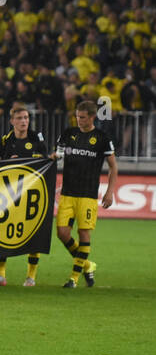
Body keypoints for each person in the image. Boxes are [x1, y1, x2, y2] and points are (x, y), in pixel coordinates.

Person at [53, 99, 116, 288]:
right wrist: (53, 156)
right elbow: (58, 155)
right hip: (67, 193)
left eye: (82, 117)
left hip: (88, 195)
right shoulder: (68, 134)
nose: (79, 120)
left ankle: (74, 278)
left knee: (83, 234)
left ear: (92, 117)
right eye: (77, 117)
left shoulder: (102, 138)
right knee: (62, 233)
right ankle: (88, 264)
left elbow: (113, 166)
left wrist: (109, 192)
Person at [0, 105, 48, 286]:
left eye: (26, 118)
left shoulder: (36, 137)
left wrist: (25, 161)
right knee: (3, 230)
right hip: (9, 193)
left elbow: (44, 159)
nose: (24, 121)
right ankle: (1, 274)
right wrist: (8, 163)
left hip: (31, 192)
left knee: (34, 232)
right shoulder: (5, 140)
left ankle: (31, 276)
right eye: (19, 118)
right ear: (12, 121)